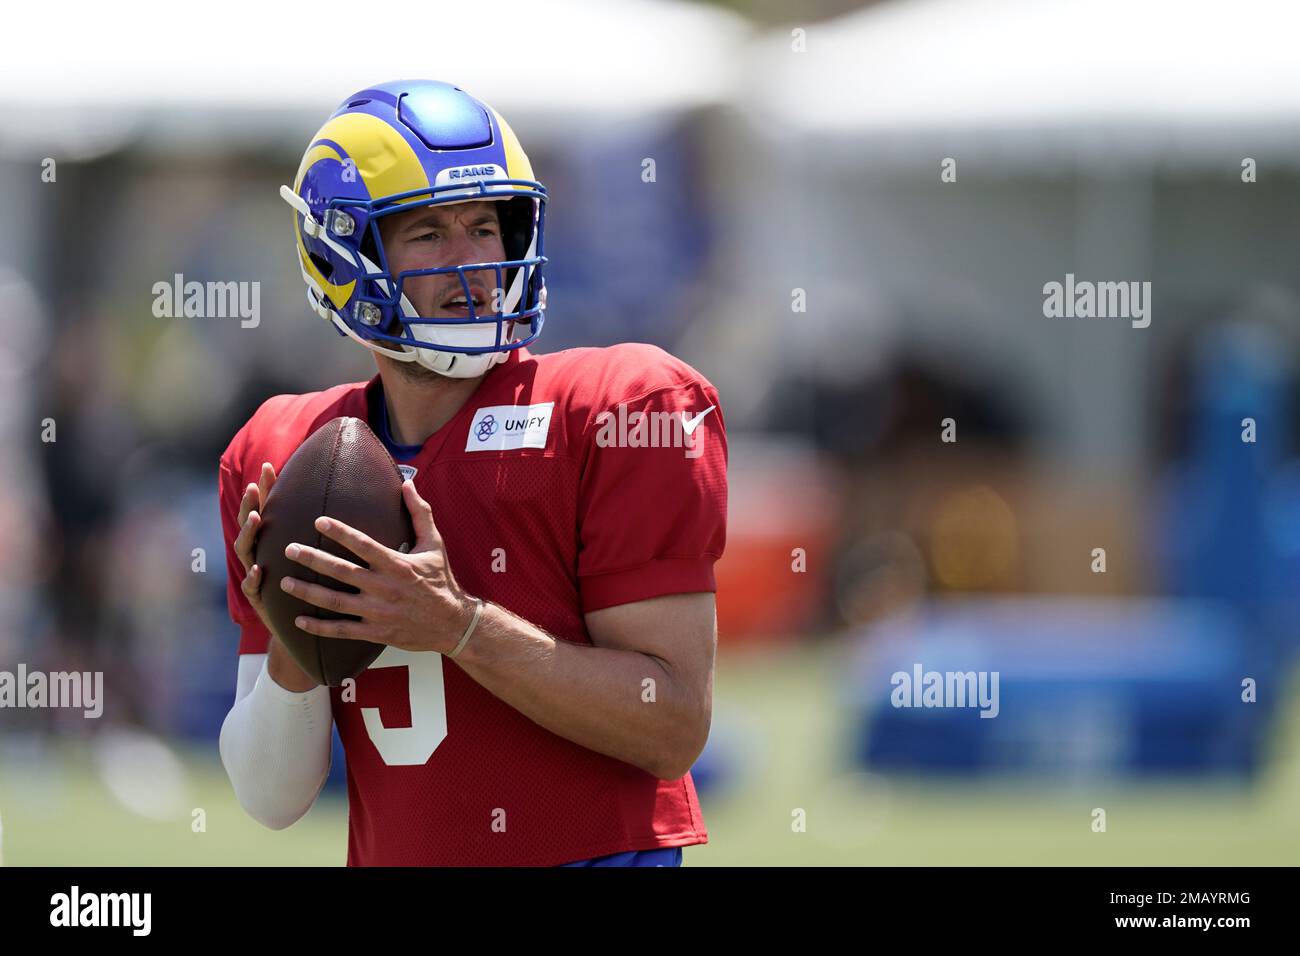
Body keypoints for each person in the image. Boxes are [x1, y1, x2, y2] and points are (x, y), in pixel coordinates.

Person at [217, 80, 727, 866]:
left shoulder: (619, 407)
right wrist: (299, 630)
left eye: (486, 225)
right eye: (427, 233)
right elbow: (272, 799)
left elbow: (672, 725)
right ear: (341, 254)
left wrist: (459, 625)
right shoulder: (289, 450)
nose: (472, 265)